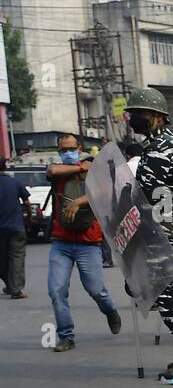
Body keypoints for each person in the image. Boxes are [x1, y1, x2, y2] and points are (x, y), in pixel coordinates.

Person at [125, 87, 173, 378]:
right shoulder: (165, 143)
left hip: (165, 235)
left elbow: (142, 193)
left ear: (157, 117)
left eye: (138, 114)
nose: (132, 118)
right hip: (170, 230)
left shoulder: (161, 150)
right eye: (132, 113)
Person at [44, 133, 121, 350]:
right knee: (56, 290)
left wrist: (78, 201)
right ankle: (66, 336)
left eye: (71, 148)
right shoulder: (59, 170)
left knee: (96, 290)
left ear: (79, 147)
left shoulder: (95, 170)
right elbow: (52, 170)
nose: (68, 152)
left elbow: (104, 192)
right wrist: (81, 167)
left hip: (89, 242)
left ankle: (110, 311)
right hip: (61, 243)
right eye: (63, 149)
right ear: (59, 151)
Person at [0, 157, 31, 298]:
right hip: (16, 226)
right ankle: (15, 289)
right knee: (17, 258)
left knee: (3, 259)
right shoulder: (14, 182)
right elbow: (27, 202)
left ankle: (10, 285)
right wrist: (29, 218)